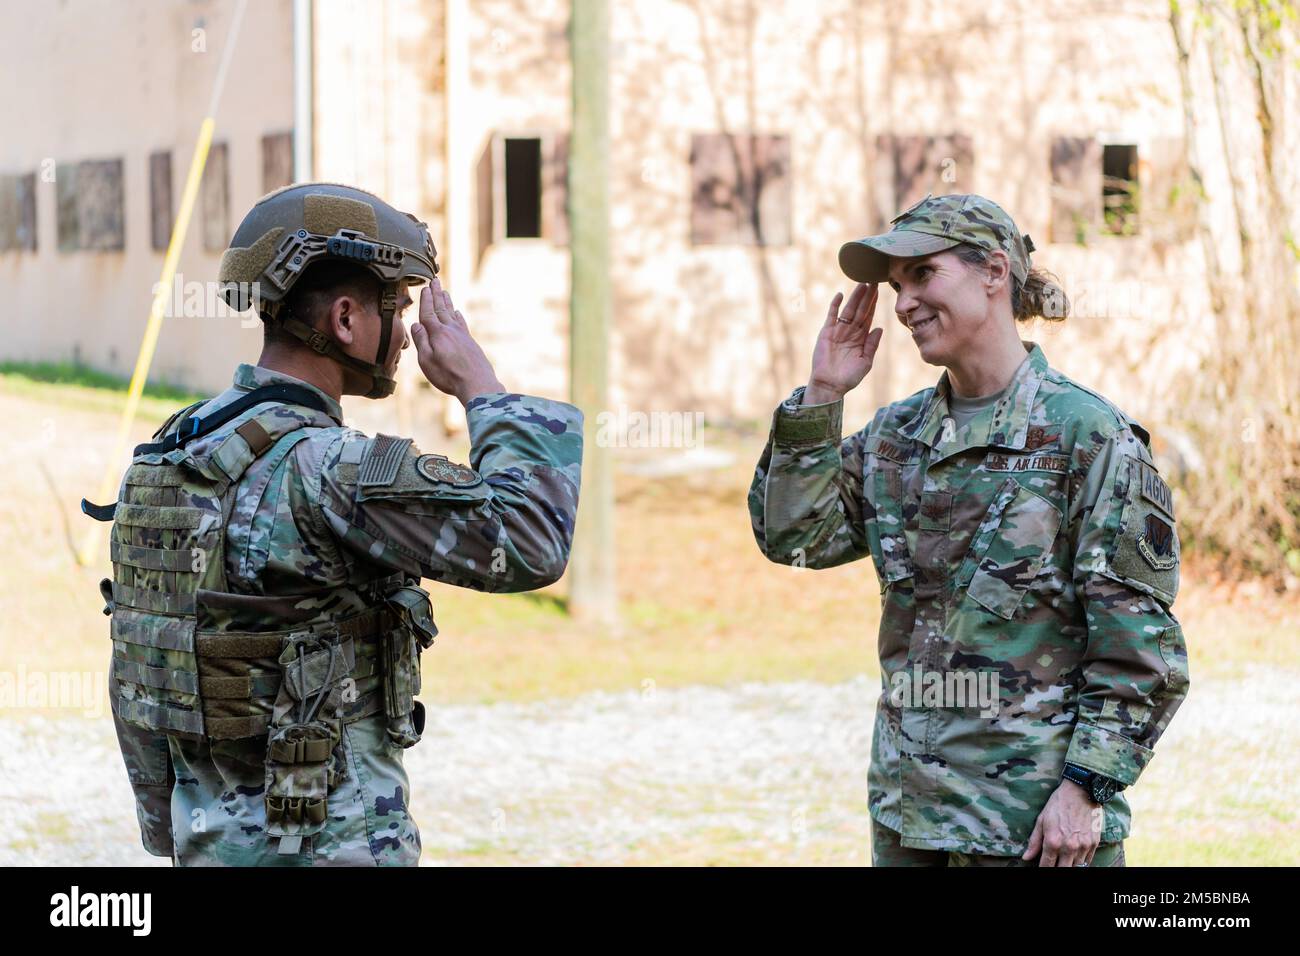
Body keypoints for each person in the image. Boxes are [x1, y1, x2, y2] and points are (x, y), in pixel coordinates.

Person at [85, 182, 583, 865]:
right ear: (347, 319)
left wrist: (168, 832)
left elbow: (139, 670)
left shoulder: (169, 456)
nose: (407, 333)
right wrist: (483, 390)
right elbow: (530, 542)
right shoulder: (330, 471)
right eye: (398, 307)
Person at [748, 193, 1189, 867]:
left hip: (1037, 831)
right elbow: (794, 537)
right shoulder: (897, 437)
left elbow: (1140, 649)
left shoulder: (1087, 438)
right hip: (910, 820)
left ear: (993, 272)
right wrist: (822, 396)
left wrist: (1086, 787)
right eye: (897, 287)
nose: (902, 304)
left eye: (921, 275)